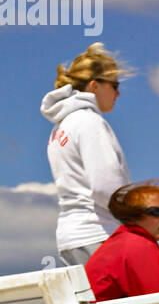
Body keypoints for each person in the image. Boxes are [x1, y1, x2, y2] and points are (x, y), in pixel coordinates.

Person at [40, 44, 131, 265]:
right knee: (144, 299)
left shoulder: (60, 127)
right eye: (114, 85)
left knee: (95, 301)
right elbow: (105, 186)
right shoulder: (90, 122)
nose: (118, 93)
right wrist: (139, 217)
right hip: (100, 233)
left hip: (71, 237)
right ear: (94, 85)